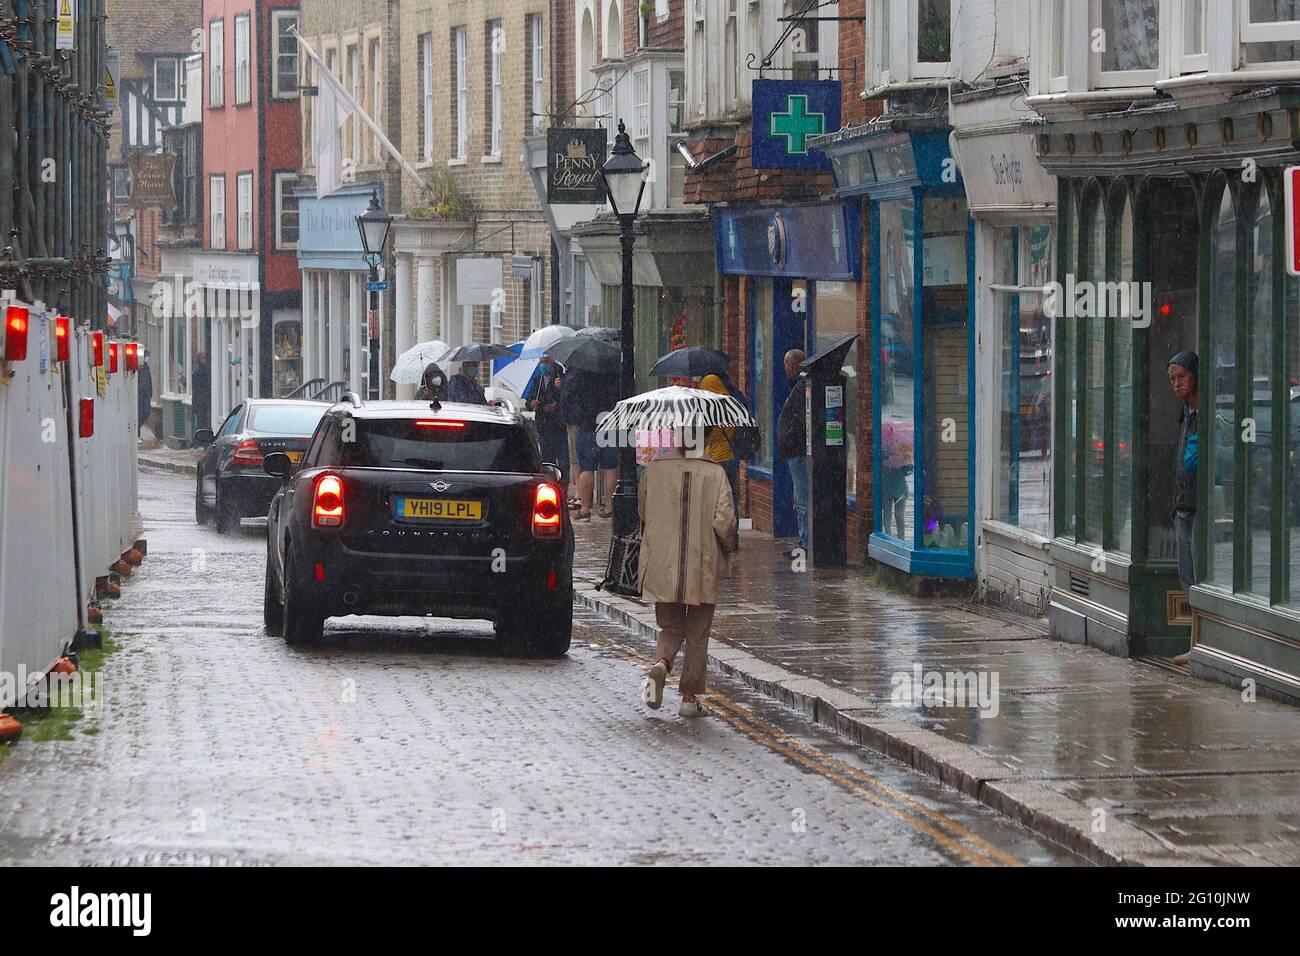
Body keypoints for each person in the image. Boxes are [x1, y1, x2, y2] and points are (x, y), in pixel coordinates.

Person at [638, 444, 736, 718]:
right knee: (697, 634)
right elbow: (724, 523)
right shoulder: (715, 473)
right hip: (702, 563)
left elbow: (644, 513)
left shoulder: (653, 470)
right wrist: (726, 550)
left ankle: (662, 663)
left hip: (664, 562)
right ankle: (689, 699)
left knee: (670, 626)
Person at [562, 367, 618, 519]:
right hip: (609, 424)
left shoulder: (579, 374)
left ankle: (585, 509)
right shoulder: (613, 372)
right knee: (610, 467)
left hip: (587, 426)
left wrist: (578, 417)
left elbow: (569, 401)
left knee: (586, 469)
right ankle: (609, 507)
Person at [698, 370, 741, 550]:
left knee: (717, 500)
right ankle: (733, 535)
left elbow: (708, 436)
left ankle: (721, 535)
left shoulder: (712, 409)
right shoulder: (731, 405)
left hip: (717, 460)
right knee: (730, 498)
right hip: (731, 458)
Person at [1168, 351, 1199, 595]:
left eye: (1181, 376)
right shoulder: (1186, 413)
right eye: (1172, 379)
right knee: (1187, 572)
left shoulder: (1202, 413)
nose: (1177, 383)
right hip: (1184, 502)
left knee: (1197, 566)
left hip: (1198, 502)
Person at [776, 349, 809, 558]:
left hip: (797, 452)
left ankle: (805, 544)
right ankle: (803, 540)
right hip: (794, 451)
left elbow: (798, 421)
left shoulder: (801, 387)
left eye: (786, 365)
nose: (785, 369)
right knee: (799, 498)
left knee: (802, 499)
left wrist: (788, 438)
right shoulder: (798, 386)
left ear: (791, 366)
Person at [528, 356, 569, 478]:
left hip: (558, 426)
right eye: (541, 362)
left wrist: (557, 399)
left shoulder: (560, 378)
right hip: (543, 426)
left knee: (562, 459)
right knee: (547, 458)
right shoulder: (537, 380)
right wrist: (532, 403)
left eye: (546, 362)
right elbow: (530, 398)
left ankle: (563, 482)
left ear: (553, 362)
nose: (543, 365)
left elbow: (566, 398)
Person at [191, 351, 211, 437]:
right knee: (203, 422)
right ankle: (201, 440)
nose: (204, 360)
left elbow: (195, 389)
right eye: (202, 358)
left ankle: (199, 440)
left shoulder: (198, 372)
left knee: (201, 422)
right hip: (203, 400)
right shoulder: (202, 372)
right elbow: (197, 388)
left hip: (201, 401)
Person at [137, 348, 153, 438]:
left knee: (146, 413)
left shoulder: (147, 368)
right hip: (141, 395)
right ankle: (137, 433)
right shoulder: (140, 368)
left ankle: (138, 429)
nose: (148, 358)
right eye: (146, 356)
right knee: (141, 414)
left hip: (146, 395)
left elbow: (149, 380)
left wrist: (150, 392)